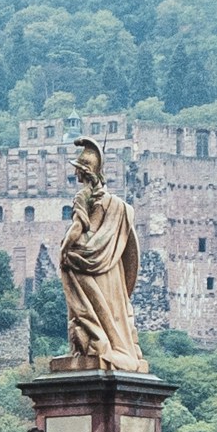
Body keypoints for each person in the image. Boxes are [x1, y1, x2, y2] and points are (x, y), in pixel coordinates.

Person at [58, 139, 148, 376]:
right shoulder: (116, 204)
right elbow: (130, 247)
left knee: (82, 295)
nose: (74, 172)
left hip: (87, 261)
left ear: (83, 171)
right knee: (113, 311)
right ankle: (117, 346)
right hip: (111, 268)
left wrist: (64, 249)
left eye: (76, 168)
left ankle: (93, 344)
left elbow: (78, 228)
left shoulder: (83, 196)